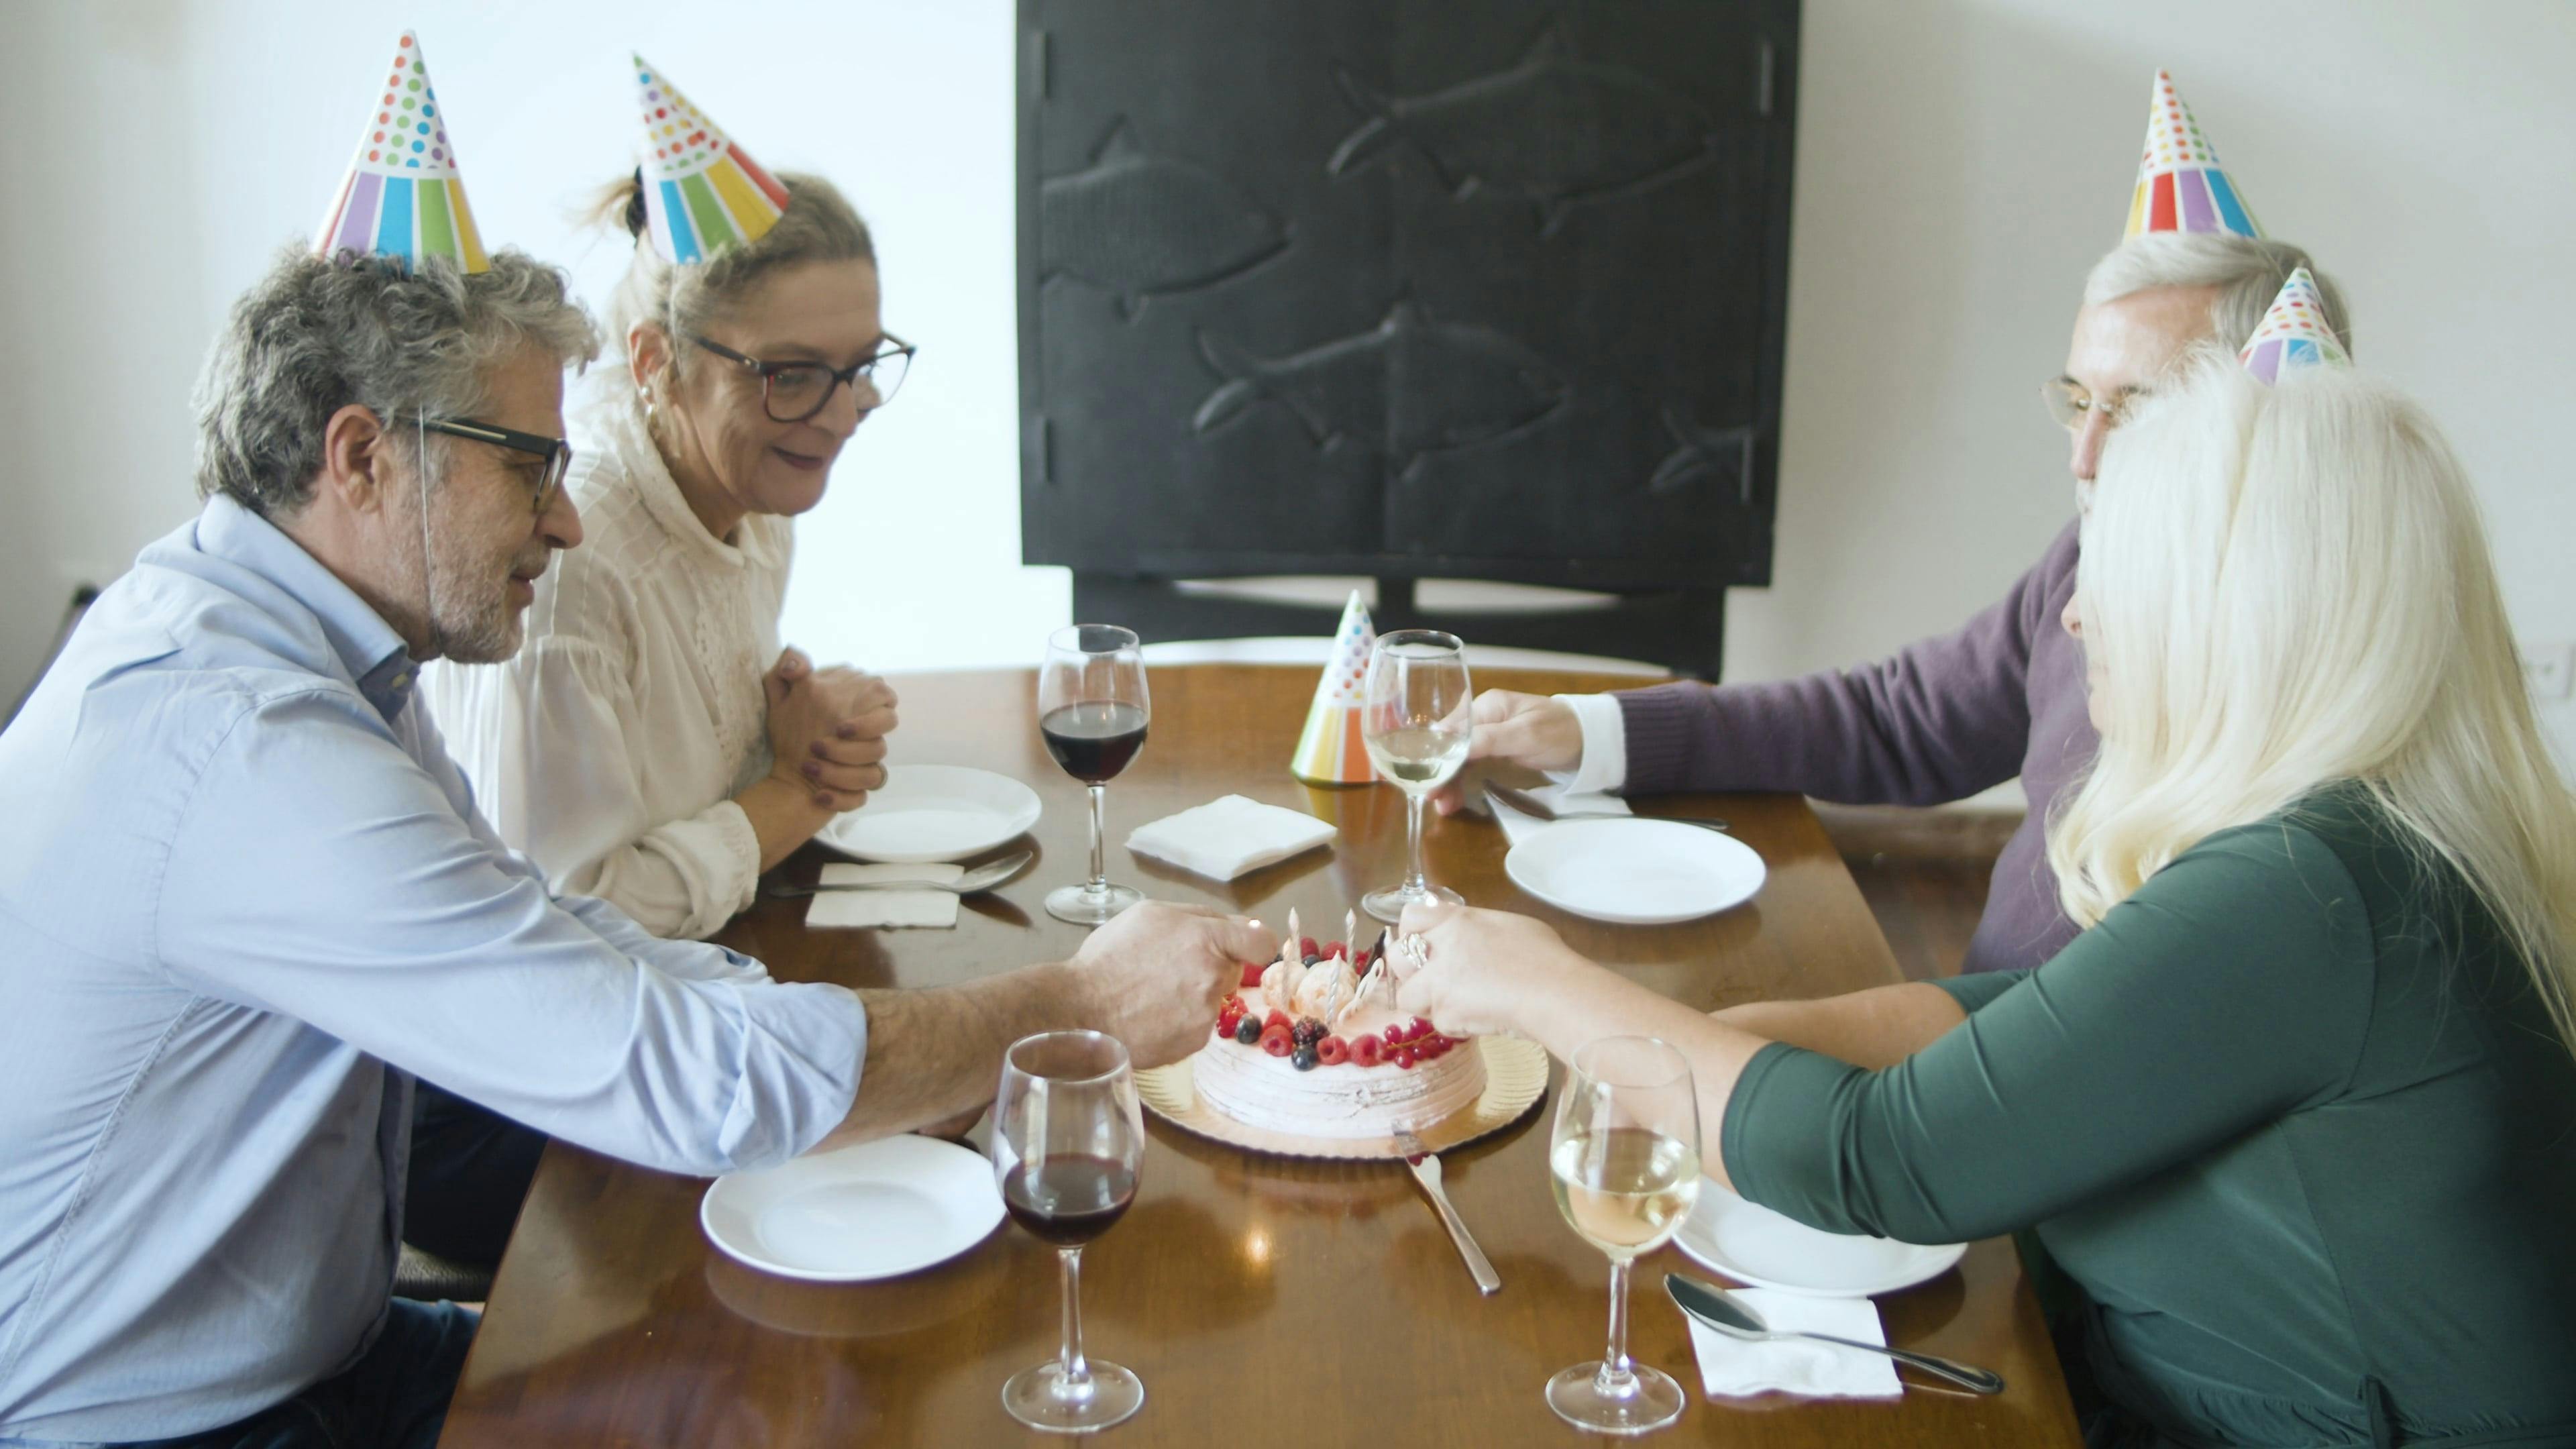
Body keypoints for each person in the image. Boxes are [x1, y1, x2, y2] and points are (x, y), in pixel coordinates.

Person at [0, 150, 1257, 1449]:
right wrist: (1077, 1006)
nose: (569, 521)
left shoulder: (302, 649)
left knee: (795, 1387)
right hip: (157, 1427)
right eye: (528, 468)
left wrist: (893, 1055)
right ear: (363, 456)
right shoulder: (250, 751)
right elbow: (668, 1067)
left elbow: (562, 930)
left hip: (325, 1356)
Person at [1393, 341, 2576, 1445]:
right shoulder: (2368, 837)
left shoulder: (2312, 891)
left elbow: (1880, 1163)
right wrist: (1717, 1043)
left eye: (2122, 567)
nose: (2075, 611)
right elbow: (2048, 1013)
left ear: (2243, 618)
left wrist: (1538, 984)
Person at [1446, 76, 2351, 977]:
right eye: (2077, 402)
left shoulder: (2317, 695)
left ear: (2266, 423)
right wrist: (1591, 731)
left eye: (2139, 407)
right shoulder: (2089, 559)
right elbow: (1895, 721)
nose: (2084, 457)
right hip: (1970, 1039)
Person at [424, 69, 904, 944]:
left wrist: (788, 725)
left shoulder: (756, 498)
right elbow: (564, 919)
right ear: (652, 362)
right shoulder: (571, 568)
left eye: (862, 366)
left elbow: (677, 774)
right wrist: (798, 790)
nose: (841, 417)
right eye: (791, 375)